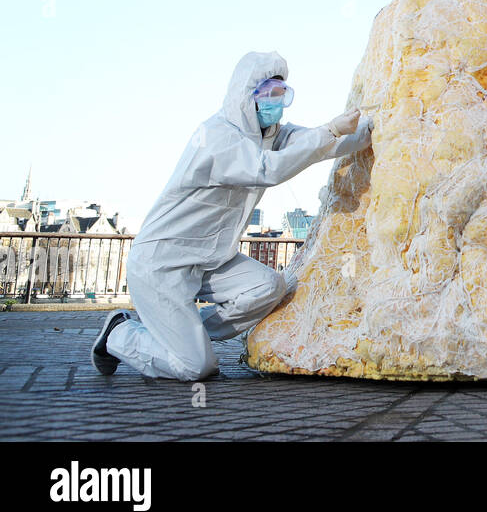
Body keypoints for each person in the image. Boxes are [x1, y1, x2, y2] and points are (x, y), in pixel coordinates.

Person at [91, 51, 372, 380]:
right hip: (163, 262)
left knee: (270, 286)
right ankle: (119, 334)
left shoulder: (271, 135)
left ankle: (185, 335)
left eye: (282, 95)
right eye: (269, 95)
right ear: (247, 96)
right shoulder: (218, 136)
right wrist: (329, 129)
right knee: (196, 367)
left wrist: (370, 130)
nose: (277, 104)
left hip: (212, 261)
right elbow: (266, 169)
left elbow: (320, 145)